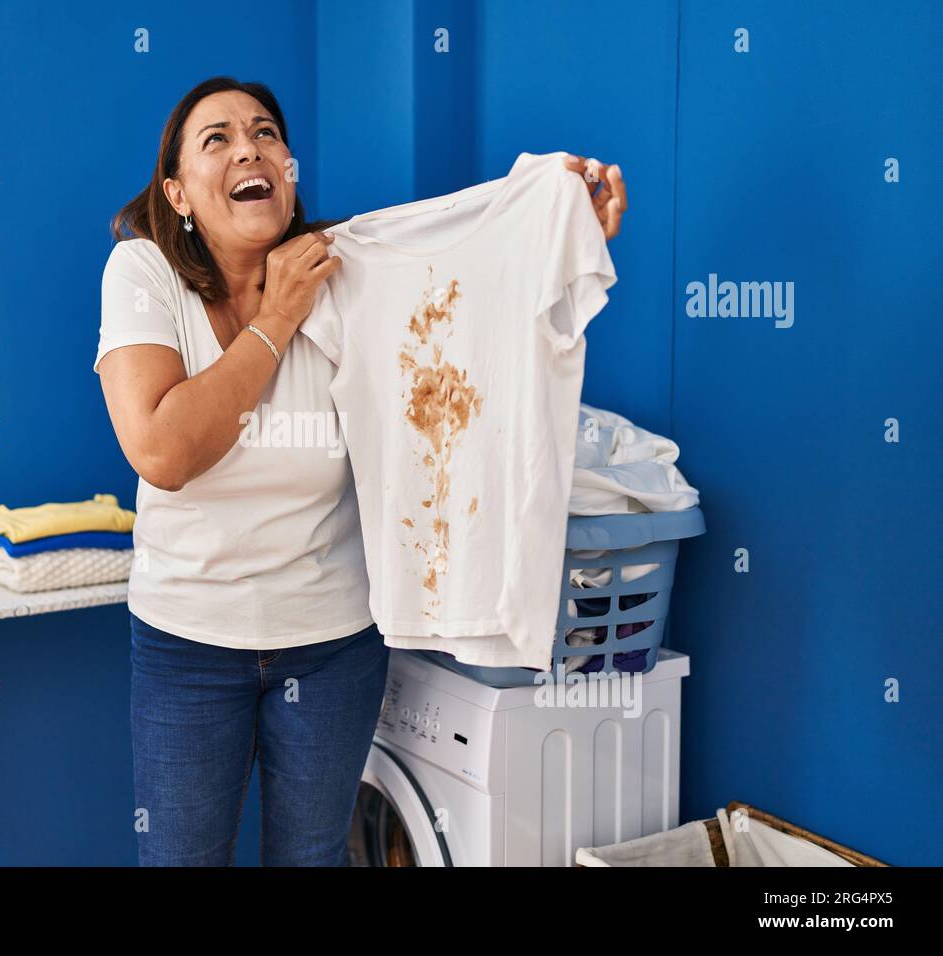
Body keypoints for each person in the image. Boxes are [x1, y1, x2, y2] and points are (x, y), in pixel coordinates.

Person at [94, 75, 627, 866]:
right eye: (218, 139)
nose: (250, 147)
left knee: (313, 860)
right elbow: (164, 451)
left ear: (290, 167)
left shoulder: (348, 273)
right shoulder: (144, 275)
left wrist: (562, 227)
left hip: (333, 644)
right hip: (190, 644)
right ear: (176, 192)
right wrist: (276, 318)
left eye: (267, 132)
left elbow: (476, 292)